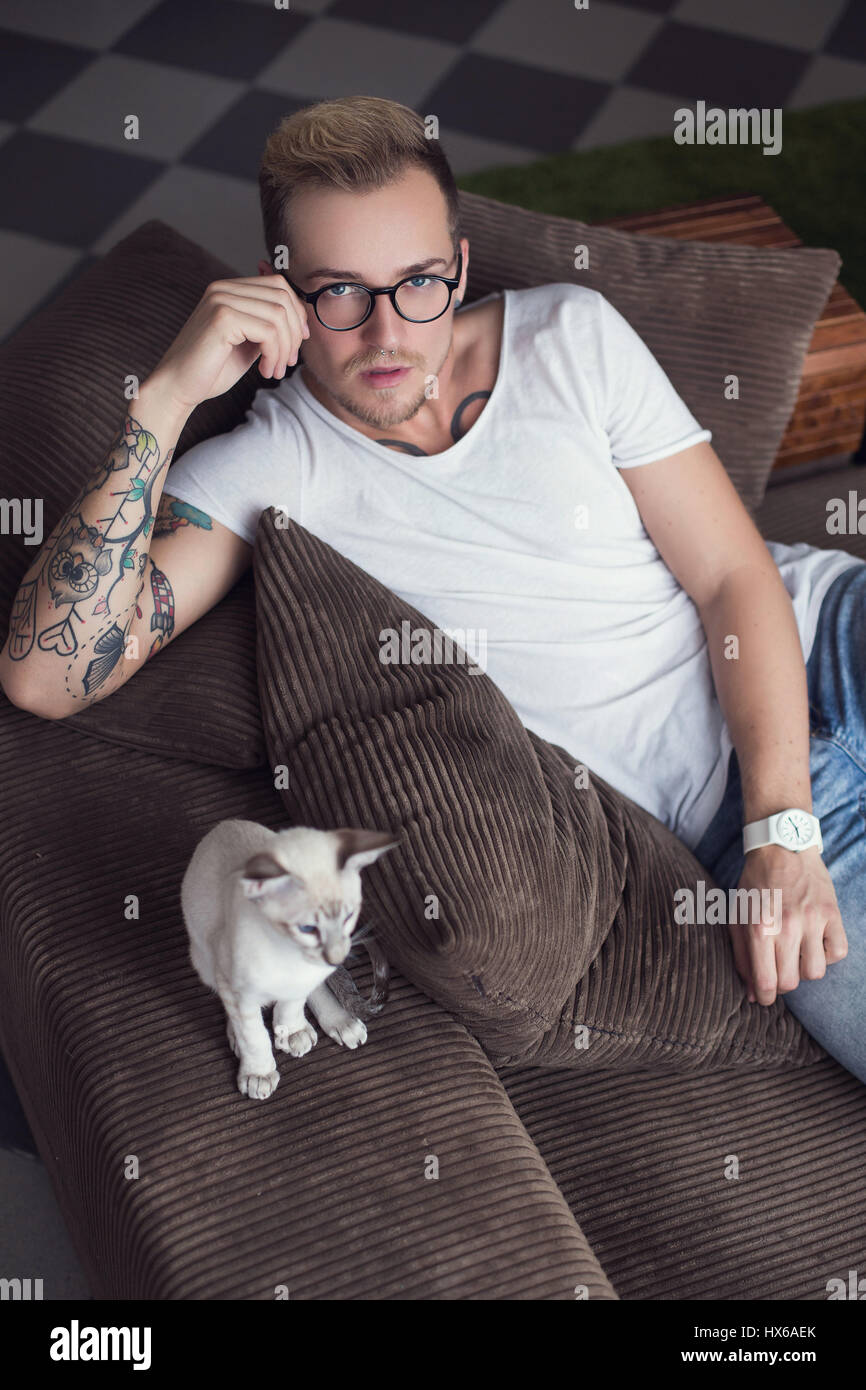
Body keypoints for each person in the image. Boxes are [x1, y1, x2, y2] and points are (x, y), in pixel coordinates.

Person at [1, 96, 863, 1081]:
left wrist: (780, 825)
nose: (386, 336)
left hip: (820, 634)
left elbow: (728, 573)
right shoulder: (268, 471)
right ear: (279, 288)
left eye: (415, 284)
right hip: (711, 810)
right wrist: (161, 403)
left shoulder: (567, 337)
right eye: (338, 294)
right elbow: (44, 678)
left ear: (454, 268)